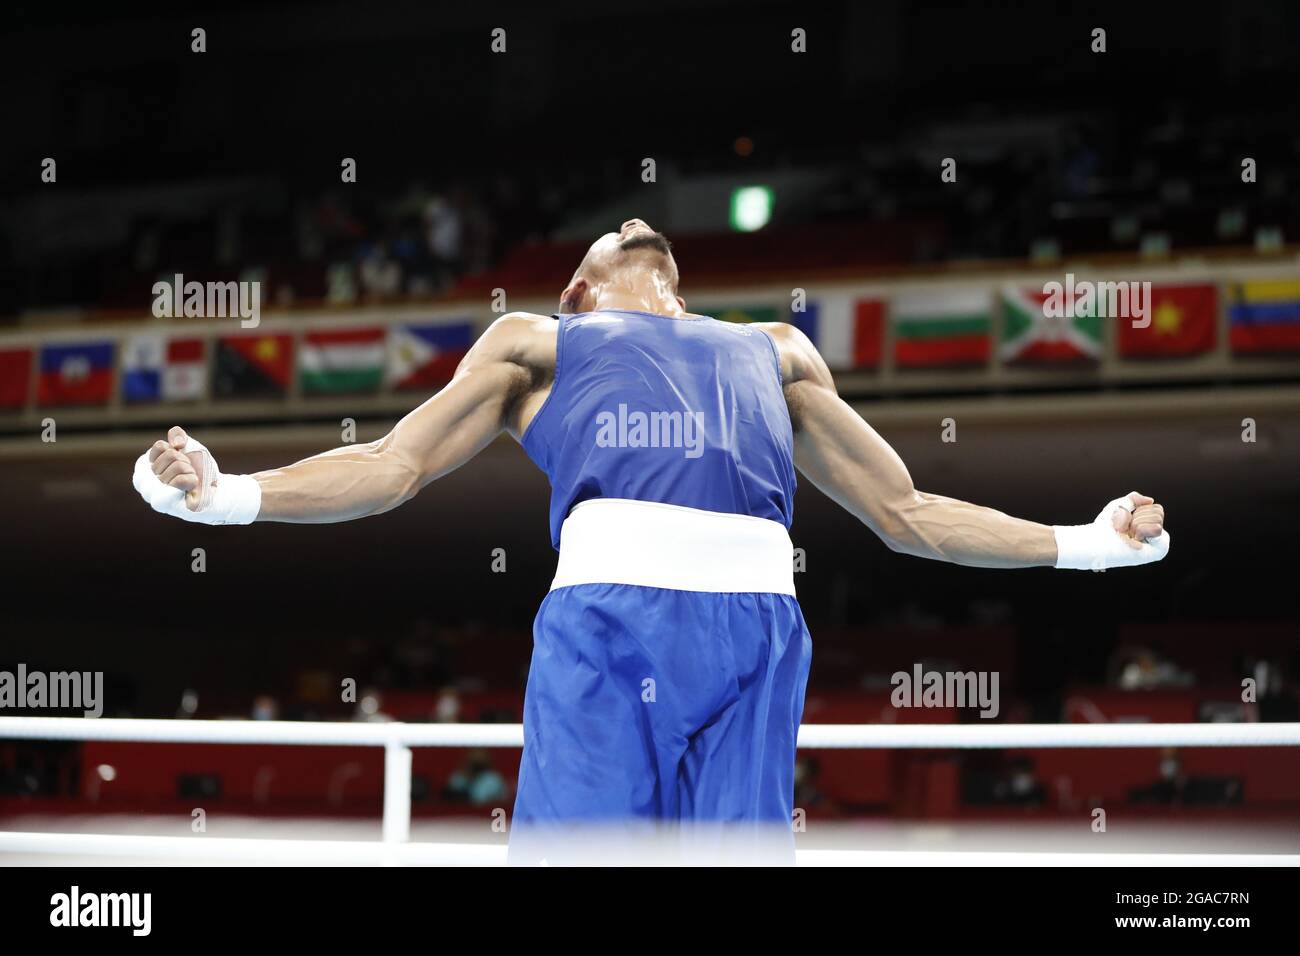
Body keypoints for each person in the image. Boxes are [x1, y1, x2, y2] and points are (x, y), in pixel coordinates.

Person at [133, 218, 1169, 861]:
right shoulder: (538, 341)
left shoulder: (778, 350)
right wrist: (225, 494)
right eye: (606, 231)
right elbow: (391, 465)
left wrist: (1084, 542)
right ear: (575, 288)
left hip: (756, 639)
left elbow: (906, 512)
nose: (634, 217)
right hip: (606, 629)